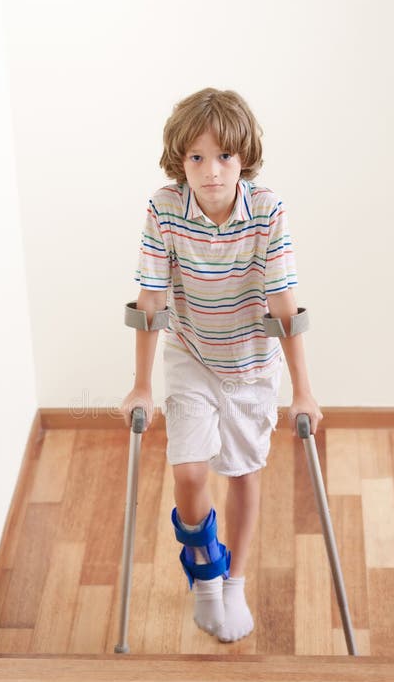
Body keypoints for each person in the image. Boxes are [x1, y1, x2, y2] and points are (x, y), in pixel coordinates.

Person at [120, 87, 322, 643]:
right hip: (191, 356)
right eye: (197, 158)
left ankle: (234, 580)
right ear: (179, 161)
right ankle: (205, 570)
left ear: (244, 159)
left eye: (225, 157)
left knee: (241, 473)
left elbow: (284, 305)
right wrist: (141, 386)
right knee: (188, 473)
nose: (211, 172)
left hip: (253, 363)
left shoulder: (266, 211)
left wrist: (302, 391)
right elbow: (150, 301)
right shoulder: (164, 208)